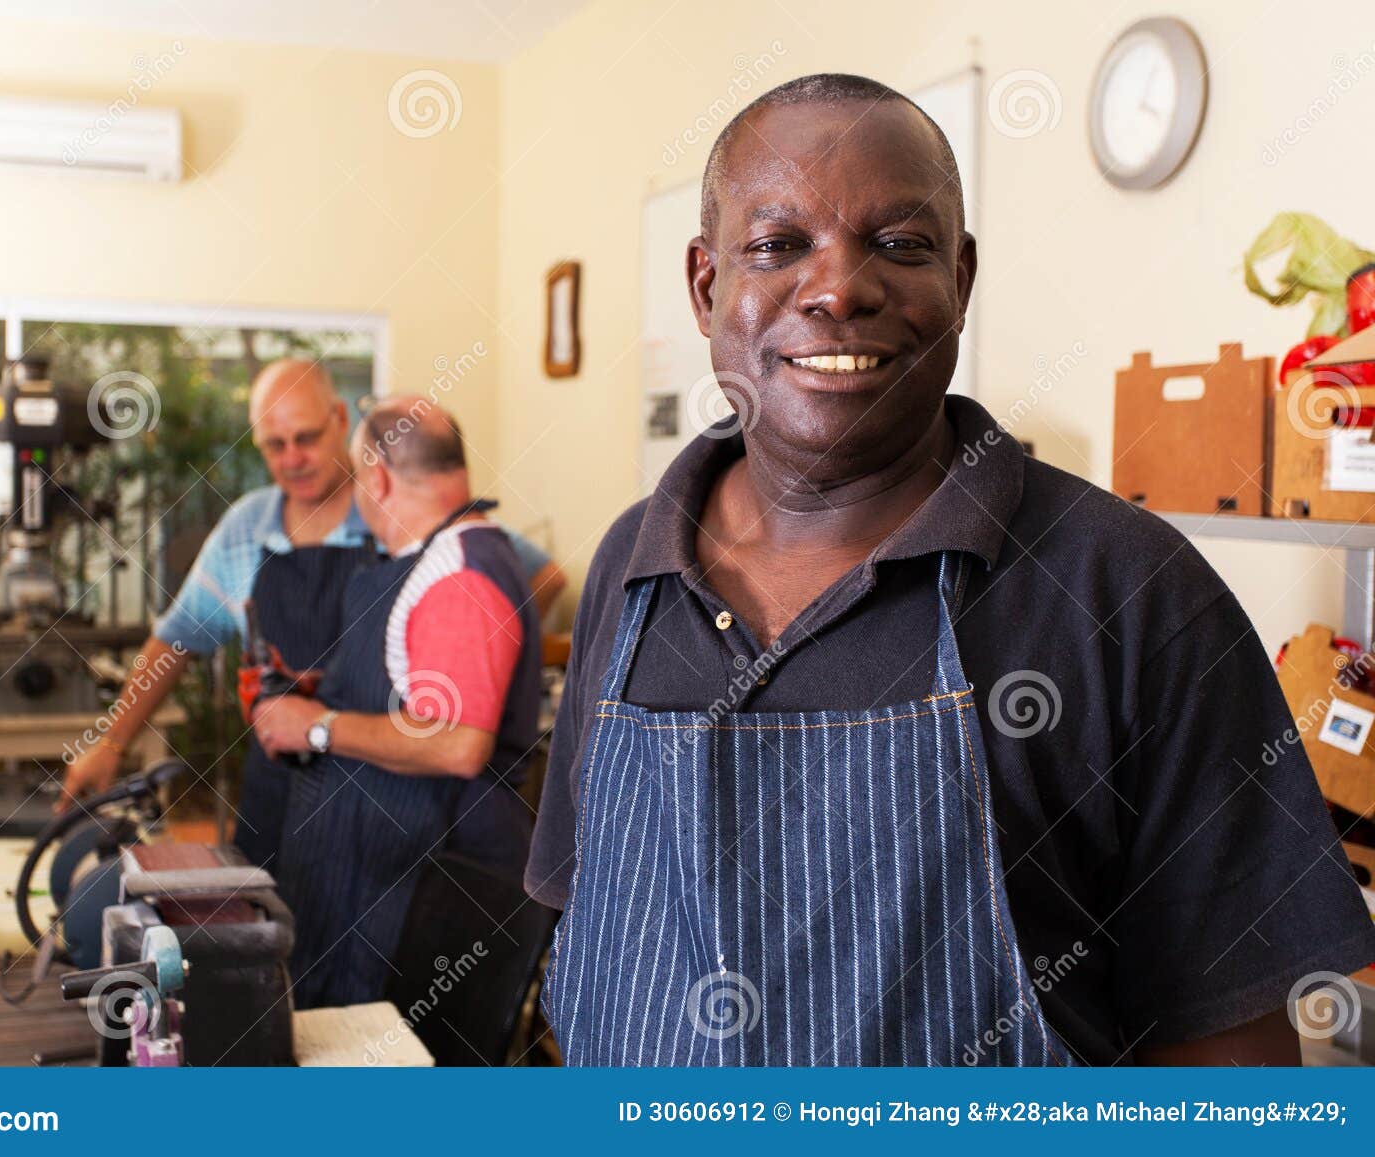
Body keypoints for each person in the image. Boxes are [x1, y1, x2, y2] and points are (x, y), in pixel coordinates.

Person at [527, 74, 1375, 1067]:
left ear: (960, 281)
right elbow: (584, 937)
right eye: (778, 244)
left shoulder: (1132, 594)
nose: (838, 287)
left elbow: (1234, 1065)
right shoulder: (630, 566)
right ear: (706, 285)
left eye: (899, 243)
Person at [58, 360, 556, 871]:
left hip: (392, 802)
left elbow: (532, 579)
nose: (293, 458)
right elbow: (177, 640)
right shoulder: (248, 527)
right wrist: (112, 741)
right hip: (282, 792)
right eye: (275, 445)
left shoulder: (418, 520)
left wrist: (474, 661)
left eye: (306, 437)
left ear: (339, 420)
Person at [254, 397, 540, 1007]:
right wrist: (323, 694)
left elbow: (458, 741)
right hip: (375, 877)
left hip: (430, 886)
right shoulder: (428, 561)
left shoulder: (460, 572)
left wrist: (319, 727)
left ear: (376, 476)